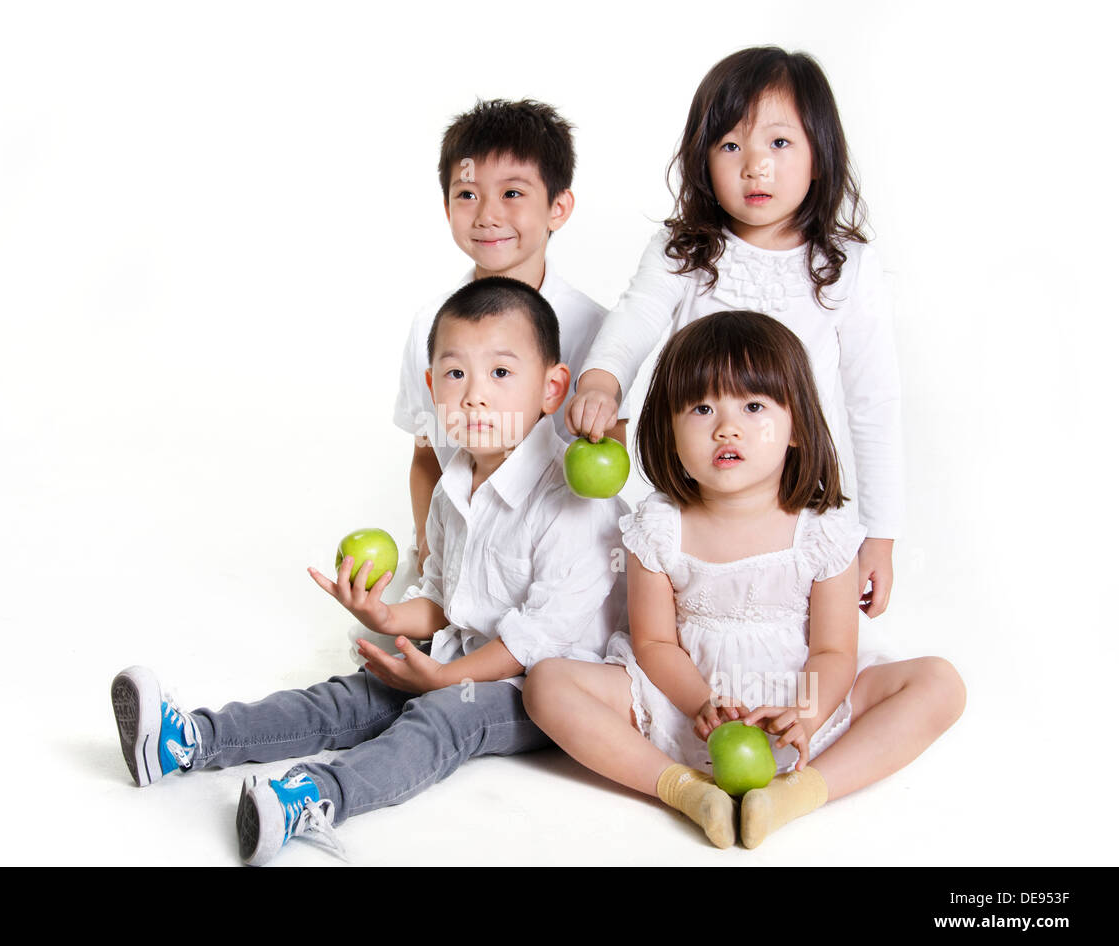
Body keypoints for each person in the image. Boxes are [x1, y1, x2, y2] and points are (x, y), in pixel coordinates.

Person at [111, 277, 626, 865]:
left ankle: (316, 798)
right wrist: (384, 614)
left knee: (441, 717)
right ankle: (190, 740)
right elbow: (441, 599)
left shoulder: (569, 499)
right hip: (461, 658)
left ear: (552, 388)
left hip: (541, 686)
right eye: (456, 374)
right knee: (351, 695)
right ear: (431, 387)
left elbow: (538, 639)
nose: (475, 395)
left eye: (502, 373)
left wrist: (439, 680)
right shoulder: (451, 488)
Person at [523, 311, 964, 849]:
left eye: (753, 407)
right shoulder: (659, 528)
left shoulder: (821, 531)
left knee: (939, 683)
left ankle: (800, 791)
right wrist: (701, 704)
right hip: (687, 699)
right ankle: (682, 788)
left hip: (797, 694)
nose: (725, 427)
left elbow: (833, 651)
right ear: (669, 429)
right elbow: (655, 643)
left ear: (797, 426)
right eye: (702, 408)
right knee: (546, 683)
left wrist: (806, 711)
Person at [566, 46, 901, 620]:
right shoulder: (687, 251)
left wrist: (881, 534)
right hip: (702, 499)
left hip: (799, 501)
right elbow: (638, 315)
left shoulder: (846, 264)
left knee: (808, 651)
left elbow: (874, 401)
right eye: (730, 145)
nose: (755, 166)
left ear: (819, 156)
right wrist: (602, 381)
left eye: (779, 142)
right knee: (687, 636)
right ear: (703, 161)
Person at [382, 99, 630, 658]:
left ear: (558, 206)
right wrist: (429, 550)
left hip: (547, 569)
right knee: (387, 653)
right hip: (463, 554)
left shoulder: (595, 329)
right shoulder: (433, 322)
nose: (487, 214)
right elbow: (427, 456)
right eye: (467, 194)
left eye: (513, 193)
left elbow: (606, 472)